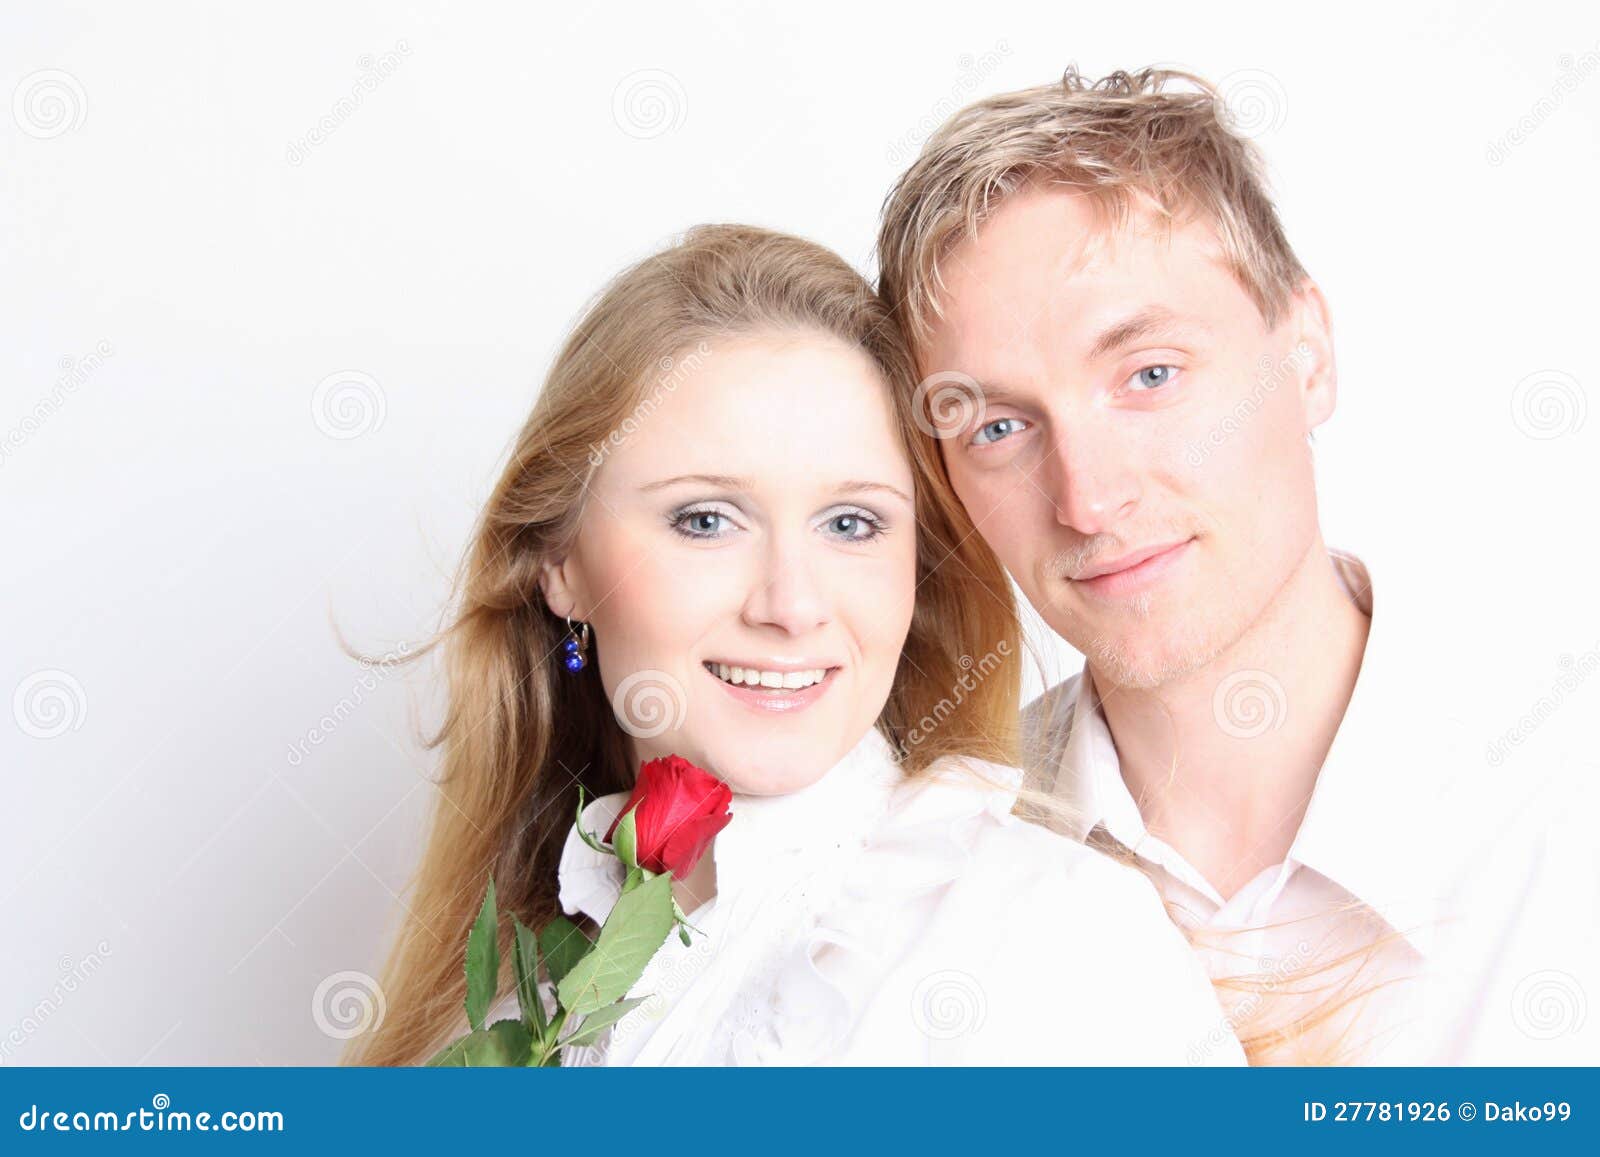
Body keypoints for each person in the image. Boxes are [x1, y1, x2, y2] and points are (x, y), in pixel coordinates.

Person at [345, 223, 1243, 1066]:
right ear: (560, 563)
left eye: (851, 522)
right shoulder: (505, 996)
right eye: (705, 519)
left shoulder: (1063, 940)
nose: (792, 603)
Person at [875, 65, 1593, 1063]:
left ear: (1306, 355)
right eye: (999, 425)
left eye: (1150, 374)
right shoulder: (910, 870)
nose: (1086, 498)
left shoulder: (1561, 799)